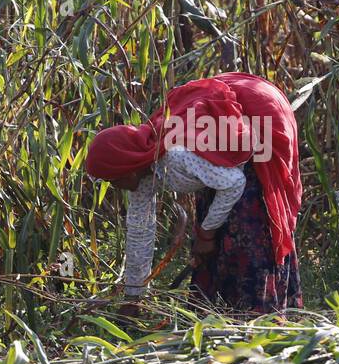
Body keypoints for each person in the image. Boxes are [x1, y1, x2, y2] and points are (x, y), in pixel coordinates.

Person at [84, 72, 302, 315]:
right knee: (213, 209)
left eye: (114, 180)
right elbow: (139, 231)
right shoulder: (143, 166)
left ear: (125, 168)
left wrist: (206, 235)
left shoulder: (175, 156)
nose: (115, 187)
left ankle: (257, 315)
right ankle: (216, 314)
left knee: (250, 223)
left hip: (259, 115)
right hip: (221, 135)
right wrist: (133, 298)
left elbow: (233, 183)